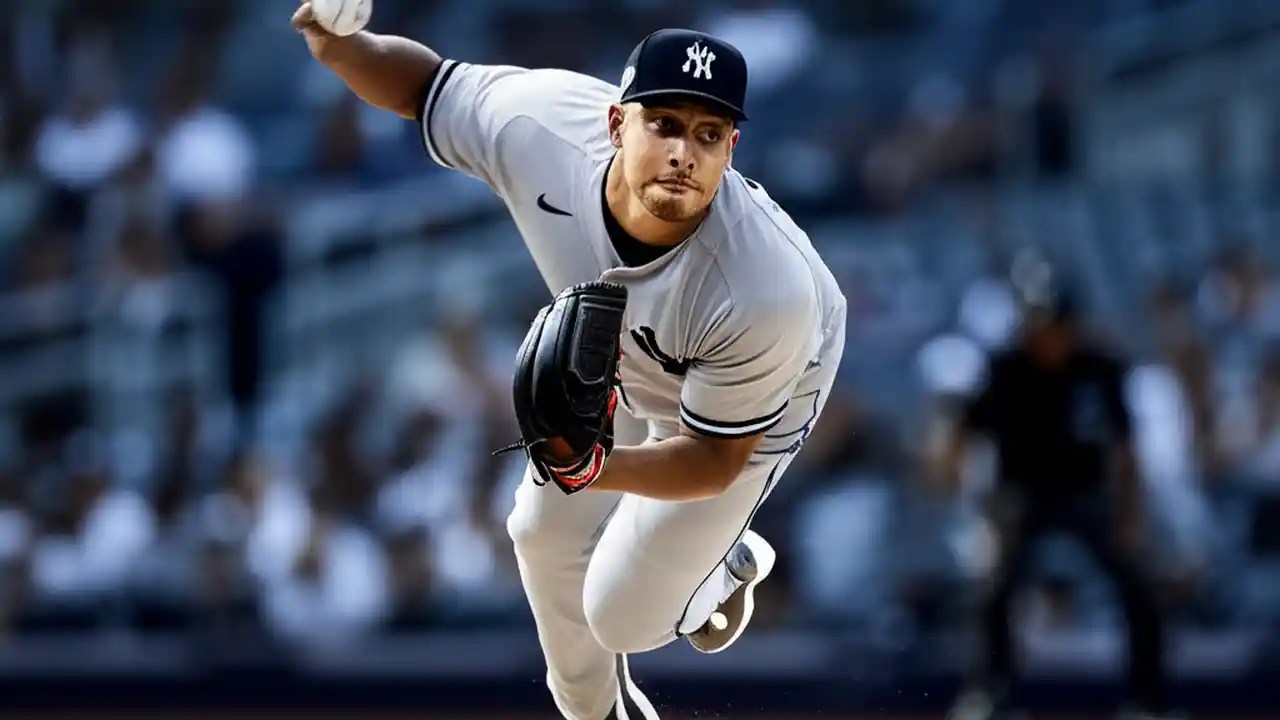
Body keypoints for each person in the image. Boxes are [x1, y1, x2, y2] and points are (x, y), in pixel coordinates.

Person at [292, 6, 847, 720]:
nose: (685, 151)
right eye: (665, 124)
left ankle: (718, 569)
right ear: (617, 124)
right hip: (629, 366)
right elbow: (421, 86)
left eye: (708, 135)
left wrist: (594, 468)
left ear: (732, 149)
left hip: (757, 391)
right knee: (538, 532)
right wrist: (339, 45)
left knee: (622, 618)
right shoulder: (541, 126)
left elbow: (712, 459)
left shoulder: (767, 289)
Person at [938, 268, 1175, 720]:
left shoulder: (1099, 367)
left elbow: (1125, 450)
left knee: (1139, 586)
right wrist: (971, 502)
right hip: (1020, 496)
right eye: (1037, 327)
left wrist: (1130, 515)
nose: (1047, 337)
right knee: (995, 589)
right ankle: (991, 693)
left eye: (1055, 326)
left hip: (1086, 493)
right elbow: (964, 433)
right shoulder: (1004, 369)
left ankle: (1150, 700)